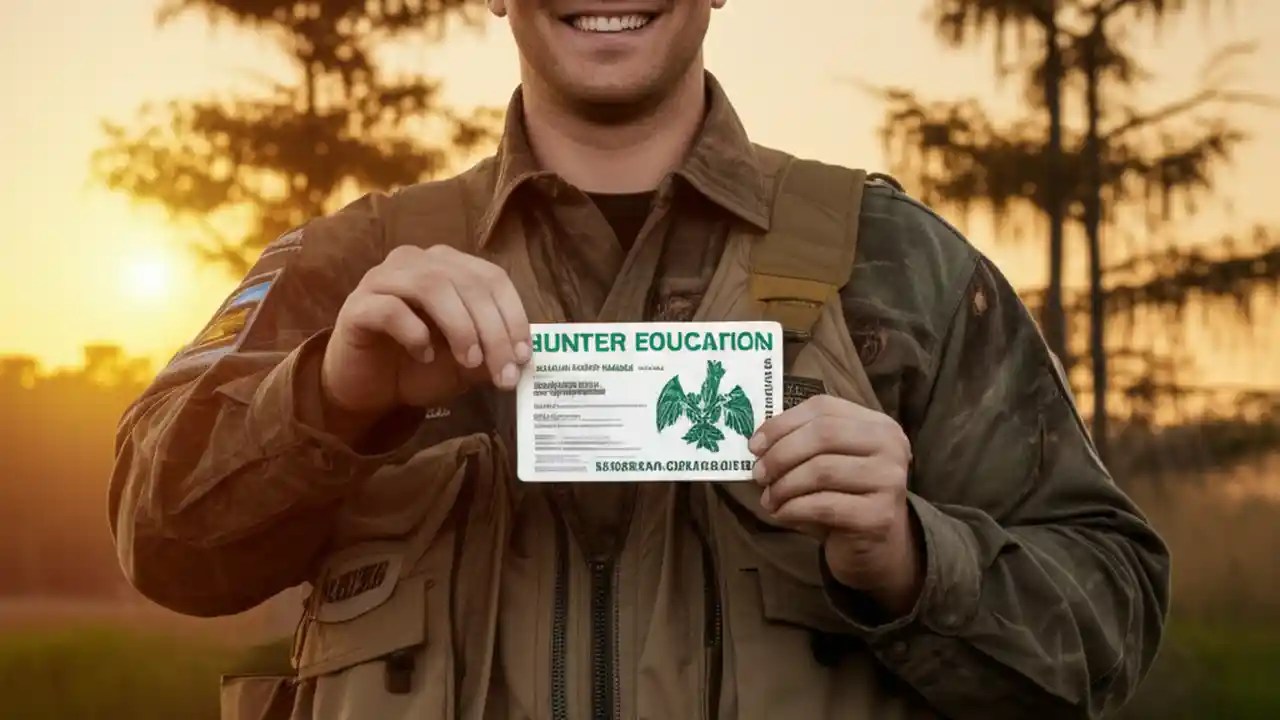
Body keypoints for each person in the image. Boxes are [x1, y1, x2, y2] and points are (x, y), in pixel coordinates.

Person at [108, 1, 1171, 718]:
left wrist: (908, 556)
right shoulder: (355, 267)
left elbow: (1109, 615)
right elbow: (158, 542)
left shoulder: (896, 264)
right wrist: (333, 398)